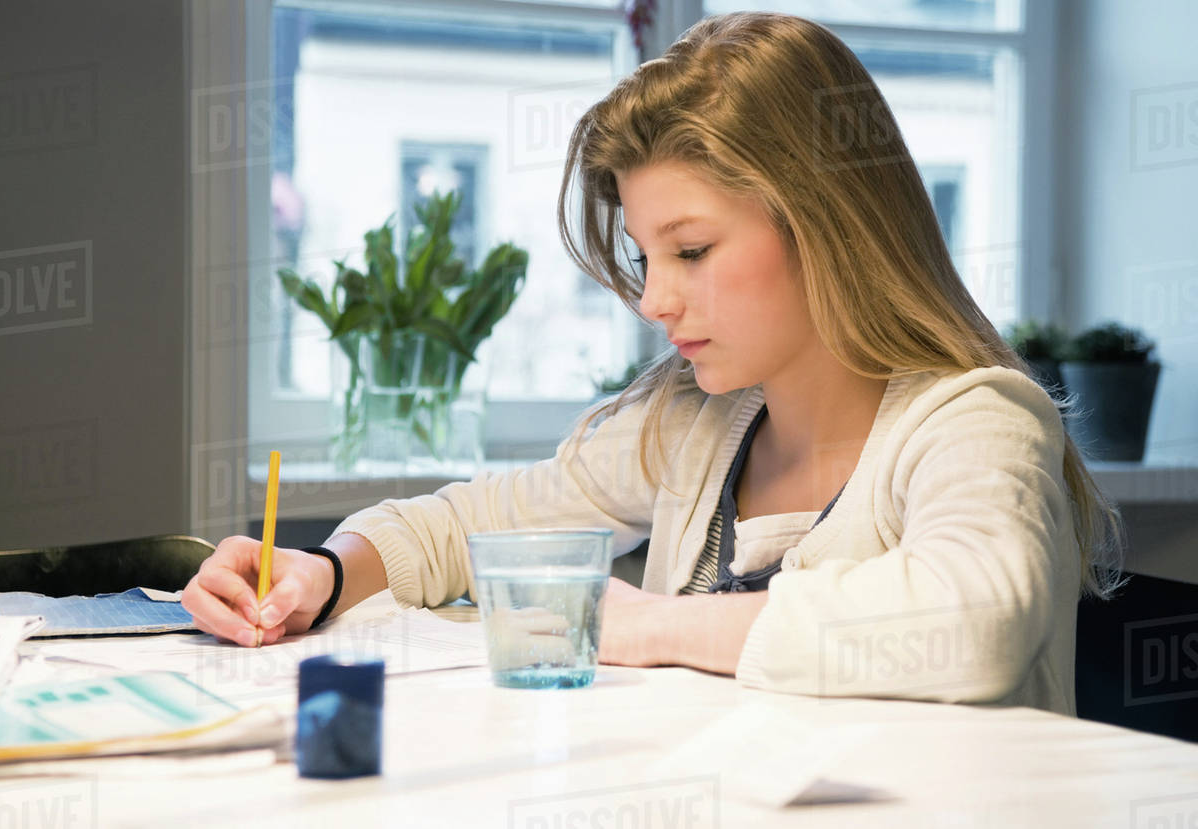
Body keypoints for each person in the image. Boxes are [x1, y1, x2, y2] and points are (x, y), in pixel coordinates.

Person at [182, 11, 1124, 714]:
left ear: (827, 226)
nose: (653, 299)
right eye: (645, 255)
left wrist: (649, 623)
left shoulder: (976, 419)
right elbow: (470, 525)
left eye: (693, 250)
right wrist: (321, 573)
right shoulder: (696, 422)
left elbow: (976, 620)